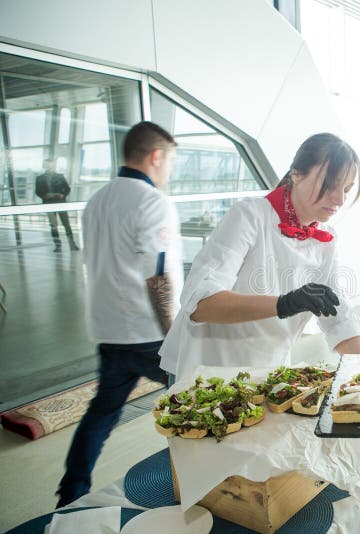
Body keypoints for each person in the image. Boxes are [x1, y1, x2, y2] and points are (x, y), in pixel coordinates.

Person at [159, 133, 360, 381]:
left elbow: (337, 316)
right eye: (331, 185)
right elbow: (200, 303)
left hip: (267, 371)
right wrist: (285, 303)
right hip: (206, 370)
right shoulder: (249, 216)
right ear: (297, 174)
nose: (340, 199)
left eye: (346, 189)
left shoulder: (326, 240)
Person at [56, 121, 183, 507]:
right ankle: (199, 477)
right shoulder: (152, 202)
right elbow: (158, 276)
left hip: (109, 329)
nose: (169, 170)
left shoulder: (97, 200)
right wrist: (174, 335)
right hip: (149, 334)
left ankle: (70, 493)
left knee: (101, 414)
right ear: (156, 156)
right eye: (170, 161)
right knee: (193, 399)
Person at [35, 159, 79, 251]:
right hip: (48, 203)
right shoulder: (39, 178)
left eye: (51, 165)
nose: (50, 167)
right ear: (44, 166)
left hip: (60, 203)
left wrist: (63, 195)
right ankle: (58, 246)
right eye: (48, 165)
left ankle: (72, 244)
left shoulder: (60, 176)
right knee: (53, 225)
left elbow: (67, 189)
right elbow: (38, 192)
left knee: (66, 224)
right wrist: (45, 196)